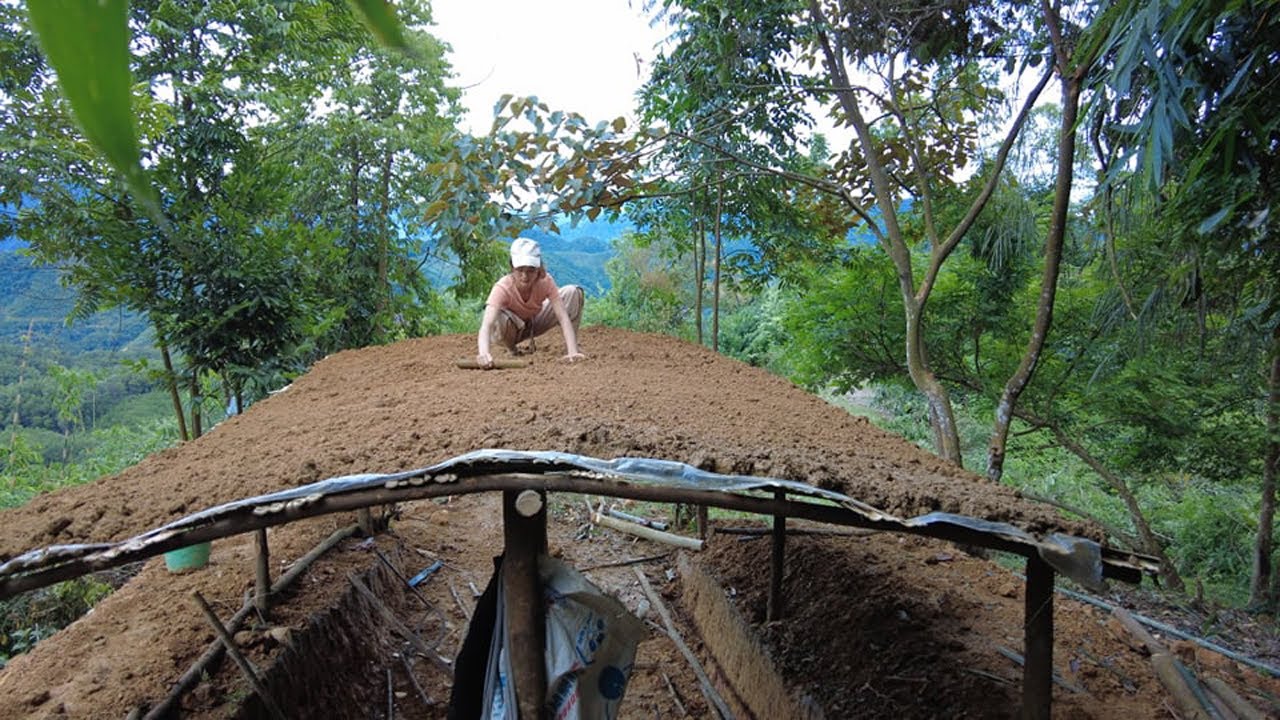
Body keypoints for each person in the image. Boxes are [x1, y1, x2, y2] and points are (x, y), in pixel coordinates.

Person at [476, 237, 586, 368]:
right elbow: (487, 325)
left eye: (530, 270)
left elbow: (562, 316)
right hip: (508, 330)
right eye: (520, 270)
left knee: (573, 292)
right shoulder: (502, 287)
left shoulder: (545, 281)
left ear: (538, 269)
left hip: (534, 321)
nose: (525, 276)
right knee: (499, 316)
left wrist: (572, 352)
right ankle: (512, 350)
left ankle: (572, 346)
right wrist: (484, 354)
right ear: (512, 267)